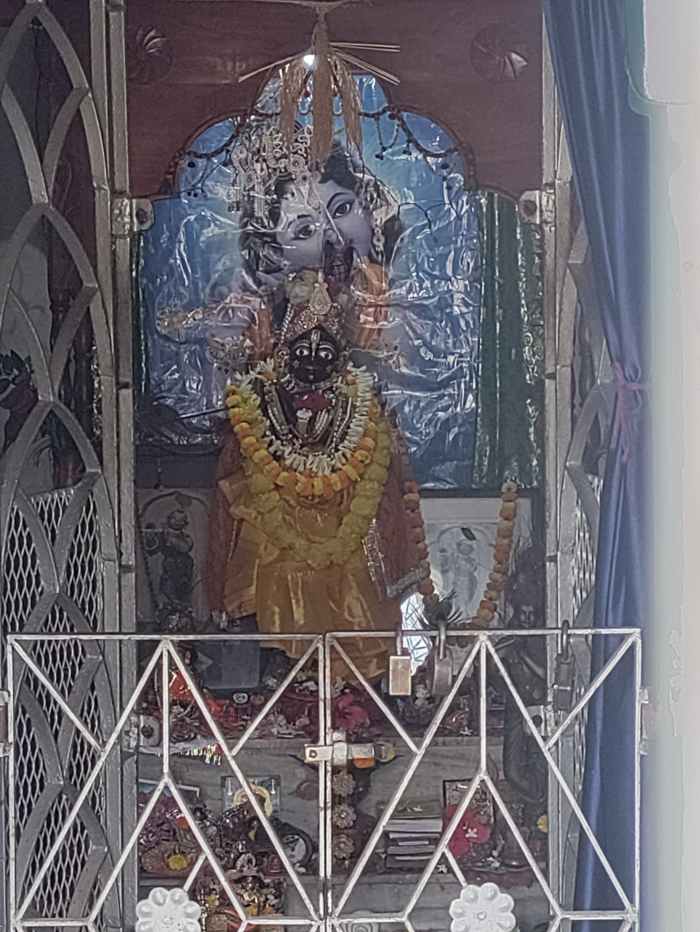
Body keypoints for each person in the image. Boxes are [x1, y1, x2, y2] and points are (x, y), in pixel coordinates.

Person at [206, 270, 433, 679]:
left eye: (324, 350)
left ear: (341, 355)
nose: (312, 358)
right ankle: (284, 677)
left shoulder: (359, 401)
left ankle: (353, 685)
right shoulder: (264, 398)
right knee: (272, 573)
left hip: (347, 520)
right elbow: (245, 456)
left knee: (357, 585)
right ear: (285, 352)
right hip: (278, 521)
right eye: (302, 349)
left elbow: (379, 470)